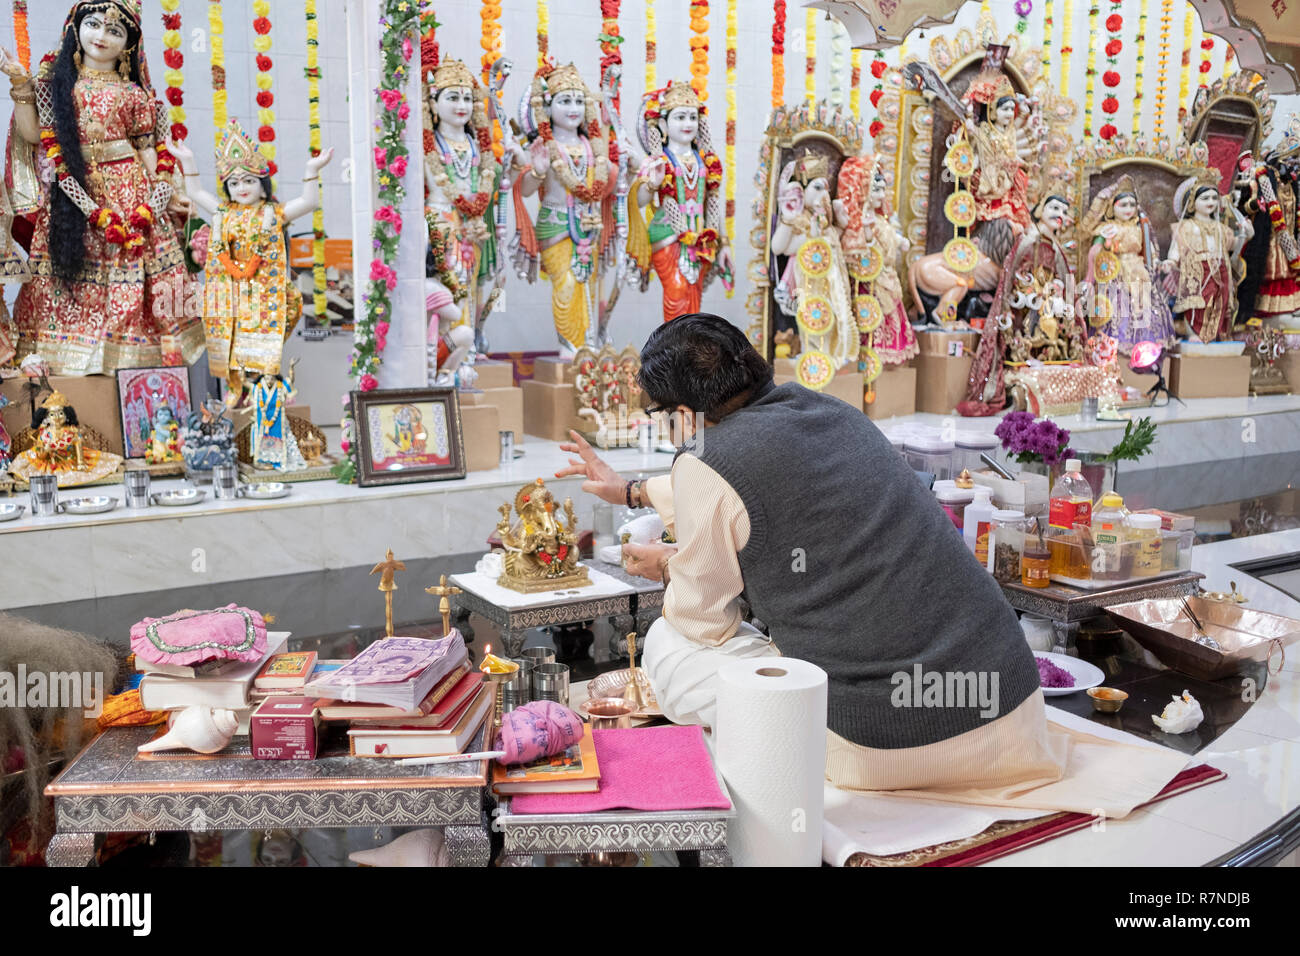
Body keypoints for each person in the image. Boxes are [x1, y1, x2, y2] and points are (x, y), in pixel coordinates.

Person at [556, 313, 1064, 792]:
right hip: (1013, 709)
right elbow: (759, 488)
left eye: (658, 416)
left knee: (670, 643)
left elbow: (703, 621)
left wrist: (671, 566)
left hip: (886, 738)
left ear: (683, 414)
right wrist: (631, 491)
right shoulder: (832, 413)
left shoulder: (705, 463)